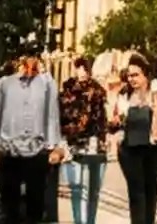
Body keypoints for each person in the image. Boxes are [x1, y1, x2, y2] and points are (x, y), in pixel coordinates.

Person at [0, 53, 65, 224]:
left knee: (35, 207)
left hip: (37, 152)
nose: (29, 64)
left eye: (33, 59)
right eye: (25, 60)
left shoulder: (47, 84)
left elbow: (52, 115)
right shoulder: (4, 84)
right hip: (9, 152)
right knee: (10, 208)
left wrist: (55, 146)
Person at [110, 54, 157, 224]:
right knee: (137, 193)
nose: (132, 79)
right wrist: (116, 124)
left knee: (151, 191)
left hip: (153, 149)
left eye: (136, 75)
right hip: (129, 150)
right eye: (129, 75)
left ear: (145, 74)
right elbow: (114, 123)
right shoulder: (124, 95)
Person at [60, 56, 108, 224]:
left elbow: (102, 119)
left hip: (94, 144)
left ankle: (90, 221)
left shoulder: (98, 91)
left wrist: (103, 138)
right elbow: (62, 117)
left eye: (84, 69)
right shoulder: (68, 90)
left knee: (93, 190)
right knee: (76, 189)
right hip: (74, 143)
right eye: (79, 68)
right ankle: (79, 221)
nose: (81, 72)